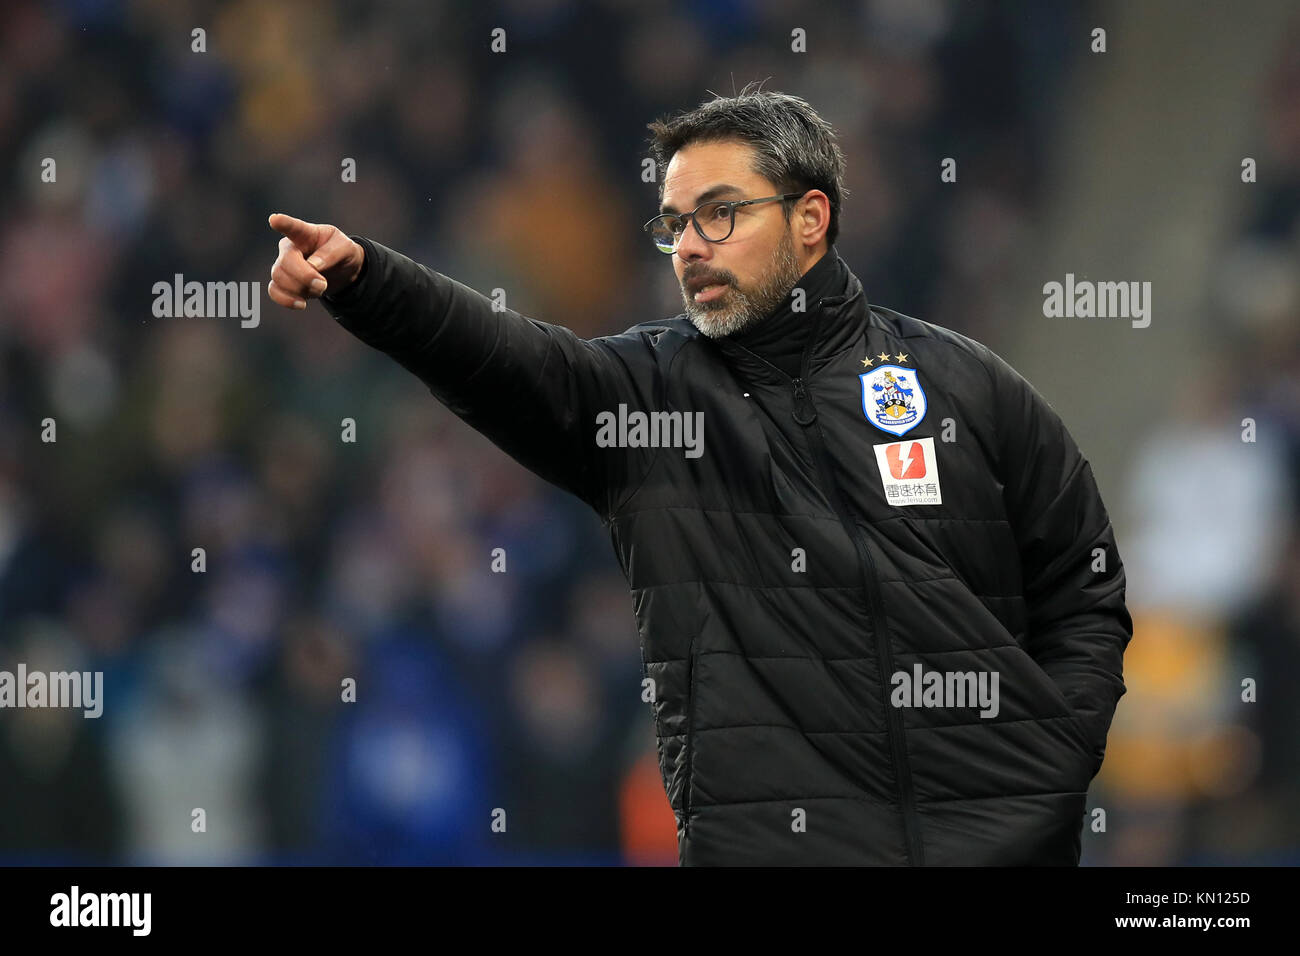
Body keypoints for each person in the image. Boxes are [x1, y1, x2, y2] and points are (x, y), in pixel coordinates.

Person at [266, 86, 1132, 866]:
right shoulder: (645, 399)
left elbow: (1083, 582)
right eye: (674, 222)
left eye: (718, 214)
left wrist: (1050, 760)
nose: (687, 246)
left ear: (811, 218)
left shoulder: (966, 385)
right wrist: (368, 282)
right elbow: (504, 360)